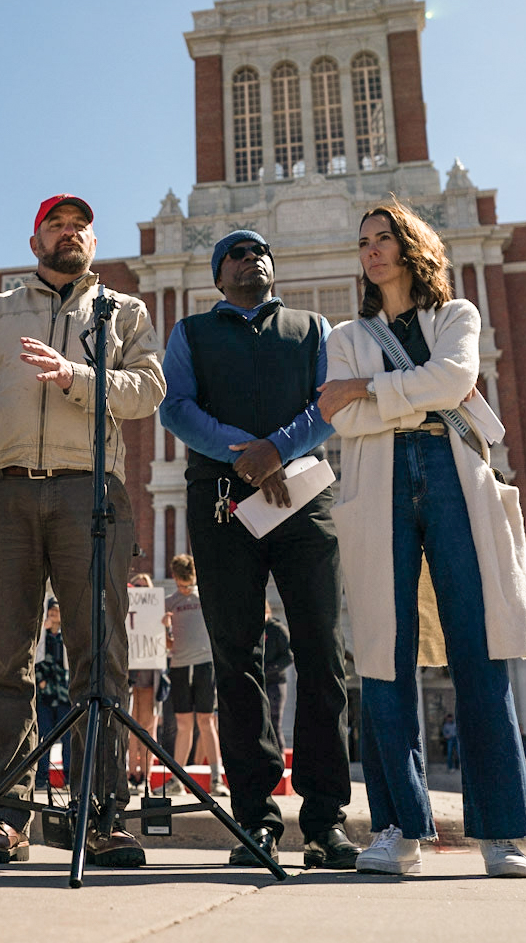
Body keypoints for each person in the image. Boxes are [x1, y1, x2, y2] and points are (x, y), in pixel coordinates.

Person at [0, 194, 164, 866]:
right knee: (6, 657)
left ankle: (102, 816)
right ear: (36, 242)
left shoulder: (123, 311)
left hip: (92, 492)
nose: (69, 233)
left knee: (99, 657)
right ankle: (6, 815)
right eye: (57, 225)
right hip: (5, 492)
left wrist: (75, 377)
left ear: (93, 242)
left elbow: (147, 392)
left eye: (80, 226)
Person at [317, 200, 526, 879]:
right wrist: (412, 395)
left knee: (478, 646)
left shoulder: (457, 317)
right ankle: (398, 830)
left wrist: (370, 390)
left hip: (453, 475)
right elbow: (342, 420)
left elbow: (456, 379)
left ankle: (500, 832)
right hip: (379, 483)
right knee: (384, 657)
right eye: (364, 241)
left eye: (384, 237)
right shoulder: (345, 335)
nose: (372, 250)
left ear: (412, 246)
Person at [159, 228, 357, 870]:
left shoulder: (312, 328)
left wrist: (278, 449)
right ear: (219, 276)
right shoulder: (191, 333)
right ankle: (255, 819)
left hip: (304, 496)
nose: (253, 259)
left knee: (322, 652)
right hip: (222, 501)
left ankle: (325, 821)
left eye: (261, 252)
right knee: (237, 657)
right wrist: (243, 453)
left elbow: (329, 403)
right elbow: (175, 408)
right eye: (238, 254)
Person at [161, 555, 224, 797]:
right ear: (175, 579)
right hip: (179, 665)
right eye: (182, 585)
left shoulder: (205, 597)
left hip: (204, 664)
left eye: (189, 585)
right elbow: (165, 644)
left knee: (206, 721)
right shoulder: (170, 603)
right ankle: (177, 780)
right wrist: (164, 627)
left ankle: (216, 779)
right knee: (183, 724)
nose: (186, 589)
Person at [126, 573, 160, 791]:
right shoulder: (126, 610)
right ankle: (131, 773)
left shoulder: (157, 613)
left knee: (147, 727)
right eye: (136, 586)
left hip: (148, 674)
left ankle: (146, 775)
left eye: (143, 587)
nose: (139, 590)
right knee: (129, 727)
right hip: (130, 674)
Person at [33, 601, 69, 790]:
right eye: (51, 610)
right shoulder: (42, 637)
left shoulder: (67, 637)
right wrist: (40, 680)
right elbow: (35, 658)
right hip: (45, 695)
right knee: (44, 738)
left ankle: (69, 778)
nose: (54, 613)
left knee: (68, 739)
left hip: (64, 695)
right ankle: (41, 778)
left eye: (57, 610)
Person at [263, 602, 294, 747]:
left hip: (275, 682)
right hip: (261, 681)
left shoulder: (277, 629)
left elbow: (289, 655)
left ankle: (280, 753)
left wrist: (271, 668)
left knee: (275, 723)